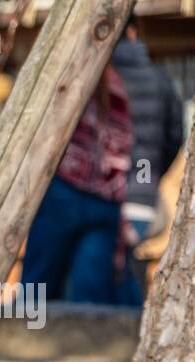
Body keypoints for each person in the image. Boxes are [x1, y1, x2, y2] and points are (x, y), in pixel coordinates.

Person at [22, 66, 133, 304]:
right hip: (106, 200)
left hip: (63, 189)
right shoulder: (117, 83)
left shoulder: (66, 68)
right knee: (91, 301)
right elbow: (124, 144)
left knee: (37, 294)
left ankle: (28, 338)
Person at [111, 17, 184, 298]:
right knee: (133, 272)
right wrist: (151, 173)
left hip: (102, 198)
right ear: (133, 33)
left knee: (103, 281)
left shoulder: (99, 79)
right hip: (142, 200)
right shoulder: (160, 81)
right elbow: (173, 139)